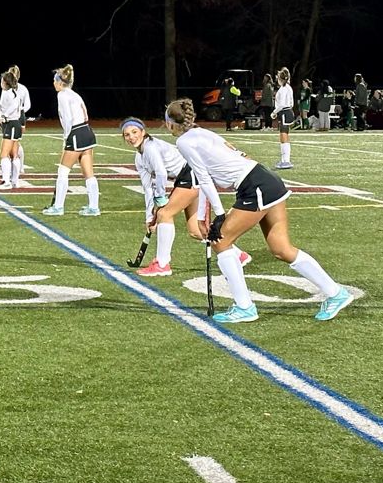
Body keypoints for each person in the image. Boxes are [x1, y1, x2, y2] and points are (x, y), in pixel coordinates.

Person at [164, 97, 354, 323]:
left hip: (254, 187)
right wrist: (208, 215)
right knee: (281, 248)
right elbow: (204, 178)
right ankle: (336, 293)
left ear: (170, 123)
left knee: (221, 242)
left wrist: (220, 215)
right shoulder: (201, 133)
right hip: (266, 180)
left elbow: (204, 179)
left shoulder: (184, 142)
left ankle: (244, 307)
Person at [120, 117, 250, 277]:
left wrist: (160, 199)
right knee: (196, 230)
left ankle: (162, 264)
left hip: (190, 175)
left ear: (143, 132)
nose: (131, 137)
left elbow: (161, 173)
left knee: (164, 214)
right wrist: (149, 216)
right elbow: (147, 188)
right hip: (185, 179)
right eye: (127, 135)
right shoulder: (139, 158)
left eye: (134, 132)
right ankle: (239, 255)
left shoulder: (151, 148)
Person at [42, 64, 99, 217]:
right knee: (89, 173)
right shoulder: (75, 94)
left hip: (76, 132)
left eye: (55, 81)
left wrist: (67, 137)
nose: (53, 84)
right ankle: (94, 207)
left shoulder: (62, 95)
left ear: (60, 82)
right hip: (87, 131)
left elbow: (68, 119)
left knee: (63, 170)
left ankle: (58, 207)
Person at [0, 71, 24, 190]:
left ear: (5, 82)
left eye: (2, 81)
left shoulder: (9, 93)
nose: (1, 83)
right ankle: (15, 181)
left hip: (11, 124)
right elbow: (2, 105)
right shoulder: (11, 92)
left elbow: (13, 106)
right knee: (14, 155)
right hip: (14, 124)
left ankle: (6, 181)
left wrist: (4, 115)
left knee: (4, 154)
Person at [7, 65, 31, 182]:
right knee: (11, 143)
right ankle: (15, 167)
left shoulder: (22, 89)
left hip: (18, 117)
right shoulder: (6, 88)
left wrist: (19, 111)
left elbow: (27, 105)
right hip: (9, 117)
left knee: (15, 142)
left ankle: (20, 166)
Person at [270, 67, 295, 170]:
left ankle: (285, 161)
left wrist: (274, 112)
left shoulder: (283, 89)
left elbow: (282, 104)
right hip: (288, 111)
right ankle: (285, 160)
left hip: (284, 112)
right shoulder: (288, 87)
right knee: (285, 137)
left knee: (283, 137)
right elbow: (291, 103)